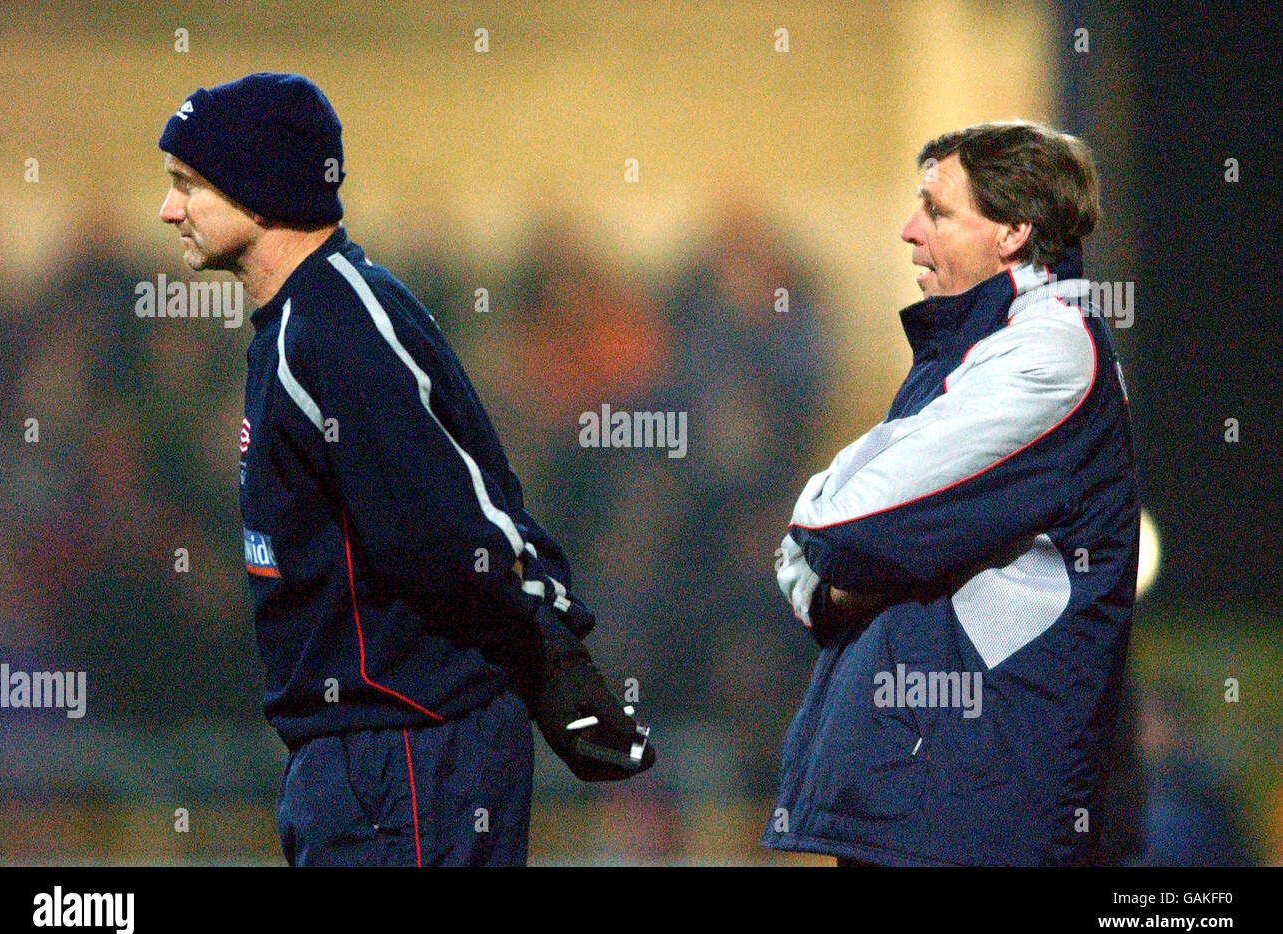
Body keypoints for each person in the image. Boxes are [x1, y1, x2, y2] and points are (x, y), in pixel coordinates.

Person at [155, 72, 653, 867]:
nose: (169, 209)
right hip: (372, 758)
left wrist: (550, 648)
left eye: (189, 185)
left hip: (407, 758)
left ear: (259, 191)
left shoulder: (335, 325)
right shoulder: (310, 319)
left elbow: (447, 516)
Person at [765, 121, 1139, 865]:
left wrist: (838, 552)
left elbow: (838, 522)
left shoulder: (1050, 351)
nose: (910, 231)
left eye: (937, 211)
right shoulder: (976, 351)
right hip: (927, 808)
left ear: (1013, 232)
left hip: (973, 820)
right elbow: (817, 552)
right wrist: (838, 581)